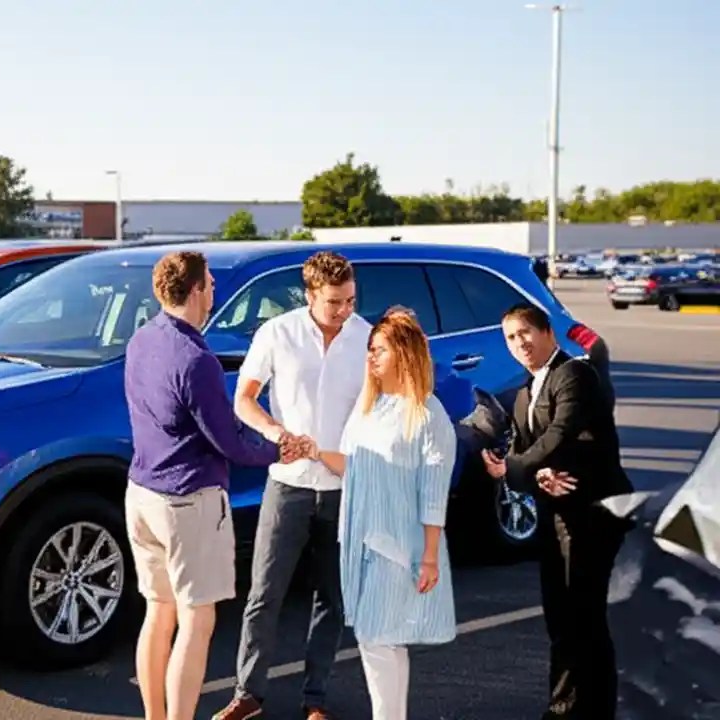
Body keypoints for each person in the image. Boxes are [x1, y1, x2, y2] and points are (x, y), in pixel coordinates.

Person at [125, 250, 312, 720]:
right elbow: (227, 439)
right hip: (187, 502)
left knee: (157, 612)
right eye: (209, 283)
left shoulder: (141, 339)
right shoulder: (197, 359)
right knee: (196, 619)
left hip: (141, 494)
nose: (214, 291)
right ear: (194, 292)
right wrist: (278, 450)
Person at [215, 250, 371, 720]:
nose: (344, 310)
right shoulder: (277, 333)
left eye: (350, 300)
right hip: (287, 485)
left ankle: (316, 699)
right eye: (334, 303)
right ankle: (248, 694)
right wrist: (274, 433)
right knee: (264, 592)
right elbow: (244, 399)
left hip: (345, 487)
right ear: (310, 296)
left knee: (332, 598)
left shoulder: (366, 338)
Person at [481, 302, 632, 720]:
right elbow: (528, 451)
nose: (520, 343)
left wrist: (516, 468)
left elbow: (562, 434)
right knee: (561, 618)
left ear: (548, 332)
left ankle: (583, 709)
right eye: (511, 337)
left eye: (526, 332)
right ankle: (566, 705)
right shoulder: (526, 393)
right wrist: (528, 471)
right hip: (556, 515)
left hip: (594, 513)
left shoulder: (575, 375)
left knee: (583, 616)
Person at [316, 307, 458, 720]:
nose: (370, 357)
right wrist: (310, 449)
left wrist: (430, 555)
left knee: (378, 637)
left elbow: (434, 490)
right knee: (379, 639)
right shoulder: (370, 409)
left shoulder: (428, 414)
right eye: (369, 349)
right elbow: (350, 465)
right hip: (361, 538)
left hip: (399, 545)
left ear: (403, 352)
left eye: (379, 349)